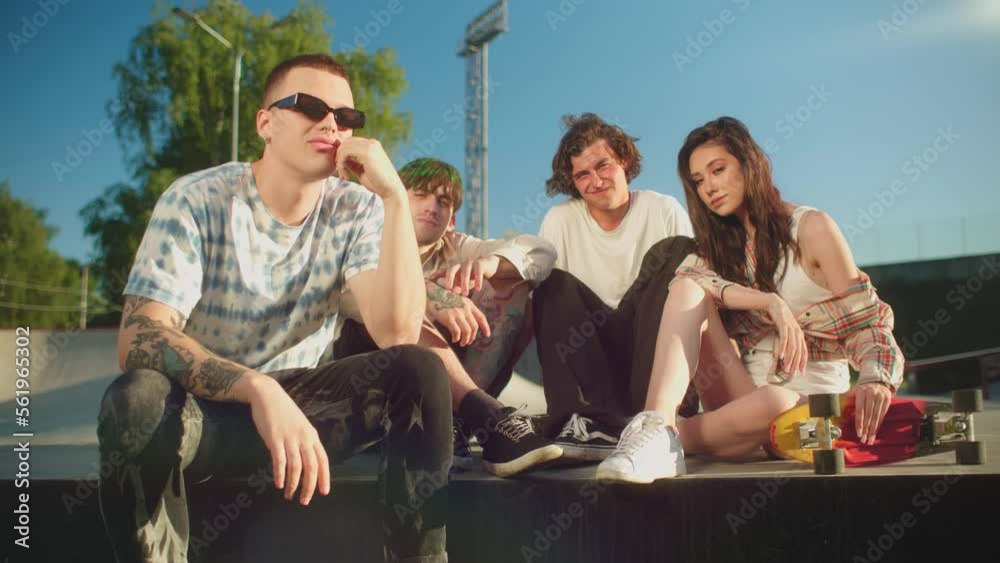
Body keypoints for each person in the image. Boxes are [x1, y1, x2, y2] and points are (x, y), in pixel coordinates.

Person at [96, 54, 452, 563]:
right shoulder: (199, 199)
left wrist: (395, 198)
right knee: (136, 399)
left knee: (419, 368)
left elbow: (397, 332)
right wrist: (255, 387)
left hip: (308, 421)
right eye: (309, 106)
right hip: (207, 417)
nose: (331, 123)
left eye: (345, 117)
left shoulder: (358, 209)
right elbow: (140, 339)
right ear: (266, 122)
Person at [596, 116, 905, 483]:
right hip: (737, 396)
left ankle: (670, 436)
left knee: (774, 401)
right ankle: (655, 429)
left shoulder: (811, 228)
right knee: (686, 288)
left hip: (806, 410)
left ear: (748, 162)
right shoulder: (720, 247)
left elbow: (867, 325)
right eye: (698, 181)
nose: (709, 187)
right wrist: (767, 302)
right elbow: (688, 280)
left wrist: (875, 378)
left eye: (718, 170)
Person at [335, 157, 563, 477]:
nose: (432, 207)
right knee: (400, 310)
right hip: (364, 378)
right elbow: (351, 300)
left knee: (512, 286)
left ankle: (455, 421)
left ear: (452, 221)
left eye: (443, 201)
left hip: (436, 382)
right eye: (420, 195)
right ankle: (487, 415)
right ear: (396, 200)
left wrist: (489, 265)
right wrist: (429, 294)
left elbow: (542, 252)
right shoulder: (368, 234)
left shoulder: (456, 246)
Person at [532, 113, 699, 462]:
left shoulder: (662, 208)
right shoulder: (560, 220)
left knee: (679, 254)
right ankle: (579, 422)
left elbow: (699, 292)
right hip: (596, 364)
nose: (596, 181)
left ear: (622, 159)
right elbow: (547, 308)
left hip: (649, 360)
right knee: (552, 282)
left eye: (603, 166)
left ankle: (664, 412)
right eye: (582, 175)